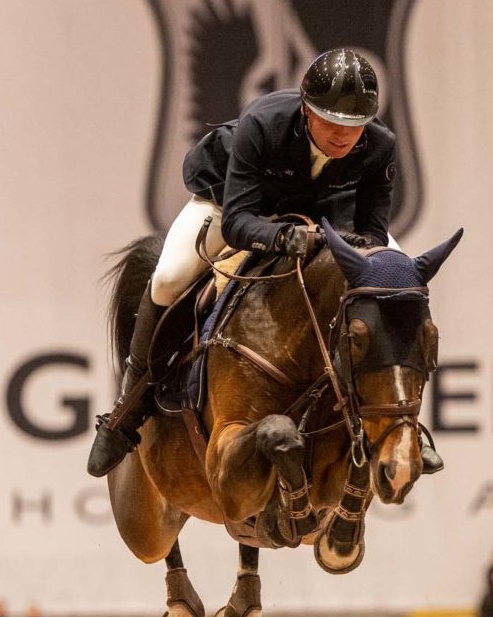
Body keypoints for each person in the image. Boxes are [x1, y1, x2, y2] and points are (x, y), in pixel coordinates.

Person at [87, 47, 443, 478]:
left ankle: (405, 421)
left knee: (397, 275)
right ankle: (129, 409)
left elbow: (370, 231)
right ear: (306, 110)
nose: (342, 135)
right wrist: (283, 236)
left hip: (322, 211)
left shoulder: (379, 146)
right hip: (230, 202)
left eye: (354, 125)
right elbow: (238, 223)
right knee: (167, 278)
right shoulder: (264, 123)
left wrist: (346, 245)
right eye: (331, 121)